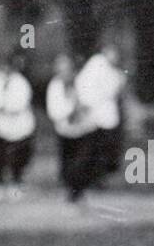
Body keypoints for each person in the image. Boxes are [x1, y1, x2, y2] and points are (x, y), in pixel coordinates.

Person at [0, 49, 37, 199]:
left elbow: (17, 105)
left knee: (18, 158)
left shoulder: (20, 82)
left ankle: (16, 183)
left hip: (19, 127)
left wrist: (1, 106)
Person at [76, 44, 127, 189]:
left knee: (106, 150)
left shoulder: (111, 70)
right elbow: (88, 86)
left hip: (106, 115)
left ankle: (100, 177)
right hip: (95, 114)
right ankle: (91, 178)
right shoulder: (96, 64)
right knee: (93, 150)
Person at [45, 52, 96, 201]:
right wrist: (70, 110)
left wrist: (81, 107)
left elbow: (90, 104)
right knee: (67, 163)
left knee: (82, 162)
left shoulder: (82, 82)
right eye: (60, 70)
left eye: (66, 69)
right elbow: (54, 111)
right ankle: (71, 190)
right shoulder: (54, 86)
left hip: (83, 129)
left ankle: (79, 190)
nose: (63, 74)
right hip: (65, 130)